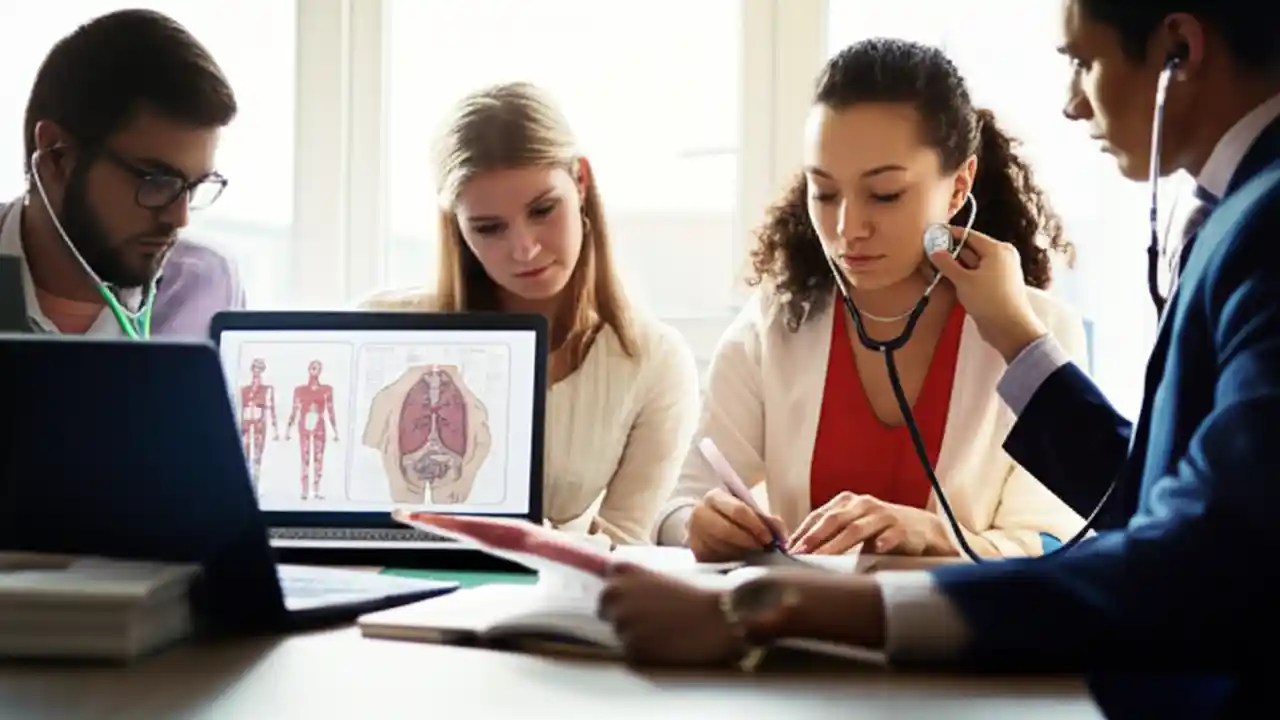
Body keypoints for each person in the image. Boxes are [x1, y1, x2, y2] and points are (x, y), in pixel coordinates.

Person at [599, 1, 1280, 716]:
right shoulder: (1236, 215)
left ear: (1180, 48)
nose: (1072, 104)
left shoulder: (1262, 229)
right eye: (823, 190)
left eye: (1084, 62)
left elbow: (1199, 552)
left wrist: (791, 604)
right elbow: (1151, 500)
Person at [654, 38, 1086, 561]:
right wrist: (697, 526)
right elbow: (679, 507)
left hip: (962, 640)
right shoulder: (774, 327)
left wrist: (931, 535)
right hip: (804, 633)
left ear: (958, 186)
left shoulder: (1033, 332)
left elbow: (1057, 543)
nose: (846, 229)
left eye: (885, 195)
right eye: (825, 193)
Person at [363, 82, 700, 546]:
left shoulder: (653, 360)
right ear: (456, 225)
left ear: (580, 181)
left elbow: (627, 547)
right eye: (488, 228)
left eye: (543, 210)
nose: (524, 249)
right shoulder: (379, 331)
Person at [1, 9, 245, 339]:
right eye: (158, 182)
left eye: (194, 186)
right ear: (57, 156)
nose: (180, 217)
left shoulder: (205, 288)